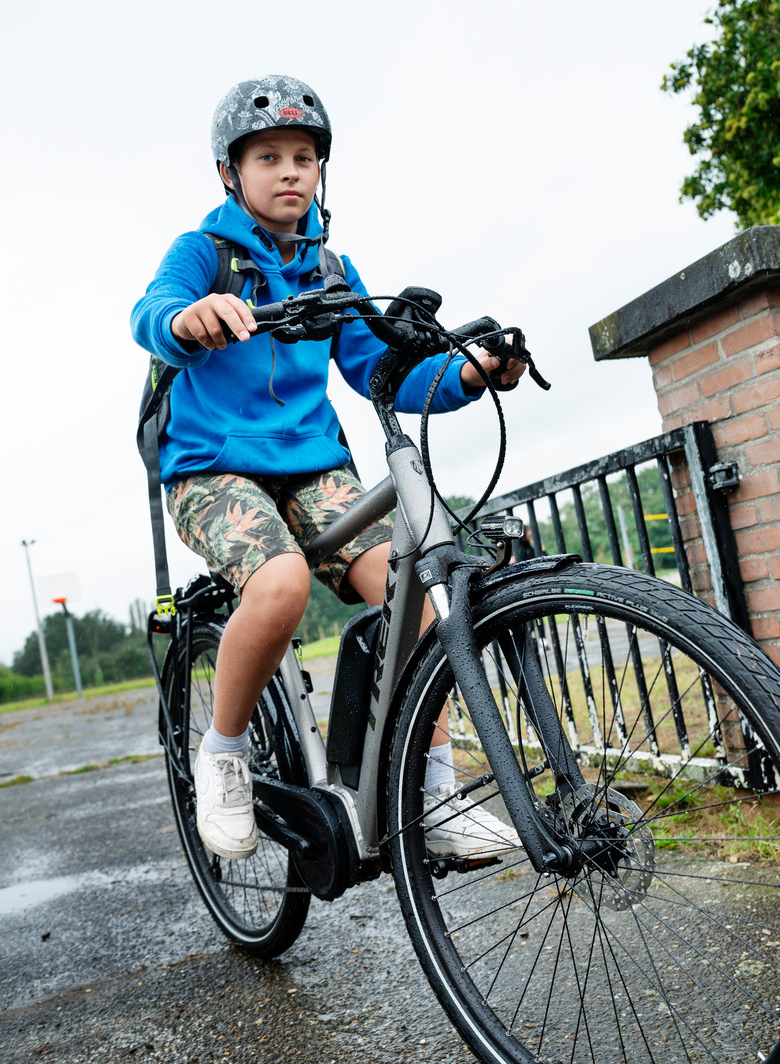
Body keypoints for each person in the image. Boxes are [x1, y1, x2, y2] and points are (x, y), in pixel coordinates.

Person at [130, 76, 527, 862]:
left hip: (314, 468)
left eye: (304, 158)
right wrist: (189, 316)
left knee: (419, 589)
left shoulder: (332, 268)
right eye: (268, 156)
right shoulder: (203, 252)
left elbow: (387, 373)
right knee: (277, 587)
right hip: (210, 468)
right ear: (229, 174)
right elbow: (151, 313)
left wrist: (473, 374)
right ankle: (224, 755)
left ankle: (434, 791)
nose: (288, 172)